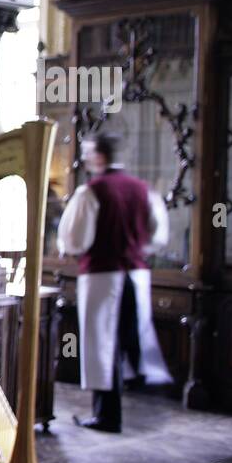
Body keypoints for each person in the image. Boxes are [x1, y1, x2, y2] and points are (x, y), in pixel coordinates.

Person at [56, 133, 173, 432]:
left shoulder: (91, 192)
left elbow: (76, 239)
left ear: (98, 156)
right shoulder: (143, 190)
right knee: (127, 337)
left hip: (102, 275)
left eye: (87, 152)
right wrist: (134, 250)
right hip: (136, 273)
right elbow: (157, 236)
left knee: (101, 343)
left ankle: (107, 415)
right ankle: (132, 391)